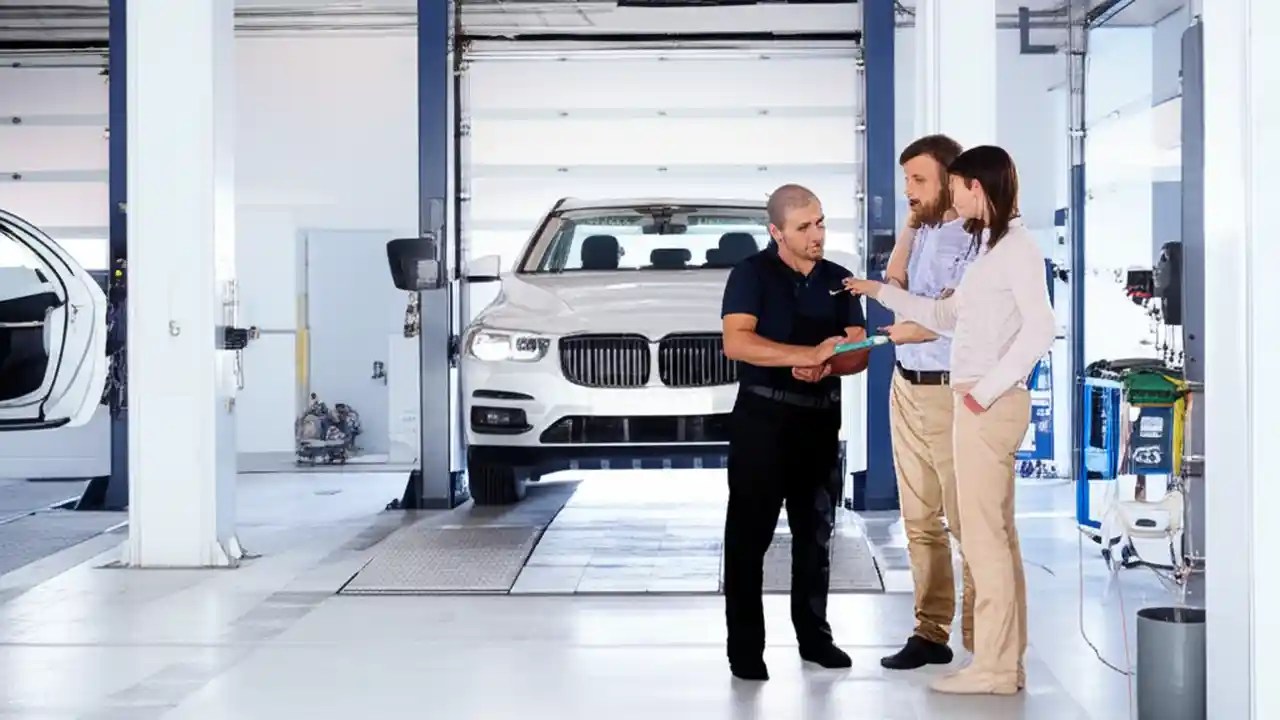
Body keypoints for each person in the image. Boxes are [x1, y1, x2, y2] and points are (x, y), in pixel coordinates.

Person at [843, 146, 1055, 695]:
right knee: (993, 539)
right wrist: (879, 293)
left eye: (956, 185)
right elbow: (942, 313)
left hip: (983, 405)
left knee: (984, 540)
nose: (953, 195)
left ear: (975, 189)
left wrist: (983, 392)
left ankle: (993, 665)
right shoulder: (994, 248)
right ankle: (999, 663)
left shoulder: (1016, 250)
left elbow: (1040, 329)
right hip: (974, 402)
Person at [719, 183, 867, 681]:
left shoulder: (840, 280)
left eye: (821, 223)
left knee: (815, 537)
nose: (817, 235)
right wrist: (805, 355)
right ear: (776, 231)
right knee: (748, 539)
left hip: (820, 421)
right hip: (762, 421)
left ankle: (814, 639)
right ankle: (745, 651)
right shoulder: (751, 274)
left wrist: (828, 367)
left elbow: (859, 350)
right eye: (804, 227)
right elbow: (737, 342)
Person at [877, 134, 980, 672]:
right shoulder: (924, 232)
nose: (908, 192)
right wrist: (912, 223)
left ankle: (981, 642)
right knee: (918, 521)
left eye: (919, 181)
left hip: (948, 390)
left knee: (967, 524)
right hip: (906, 386)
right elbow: (895, 284)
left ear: (950, 180)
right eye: (905, 182)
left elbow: (942, 317)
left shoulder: (977, 240)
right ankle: (930, 631)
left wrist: (914, 325)